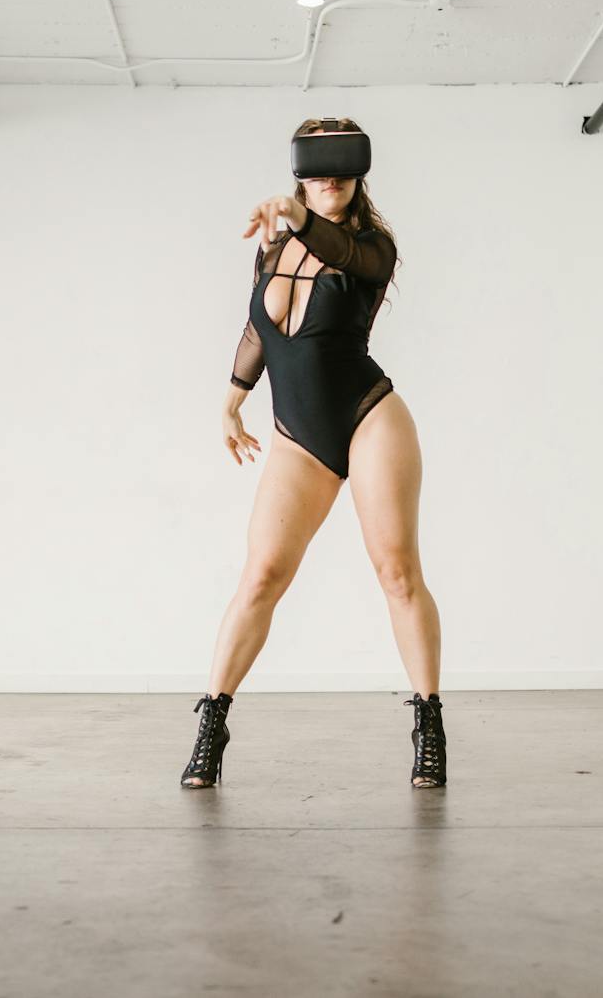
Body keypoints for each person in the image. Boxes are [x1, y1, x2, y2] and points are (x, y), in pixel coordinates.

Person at [181, 142, 445, 789]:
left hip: (369, 417)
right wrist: (232, 400)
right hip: (297, 434)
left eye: (342, 171)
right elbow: (258, 330)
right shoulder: (272, 248)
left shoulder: (372, 248)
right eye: (318, 172)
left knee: (397, 571)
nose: (331, 180)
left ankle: (429, 724)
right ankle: (212, 724)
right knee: (261, 576)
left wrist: (300, 217)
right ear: (301, 176)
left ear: (358, 177)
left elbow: (342, 254)